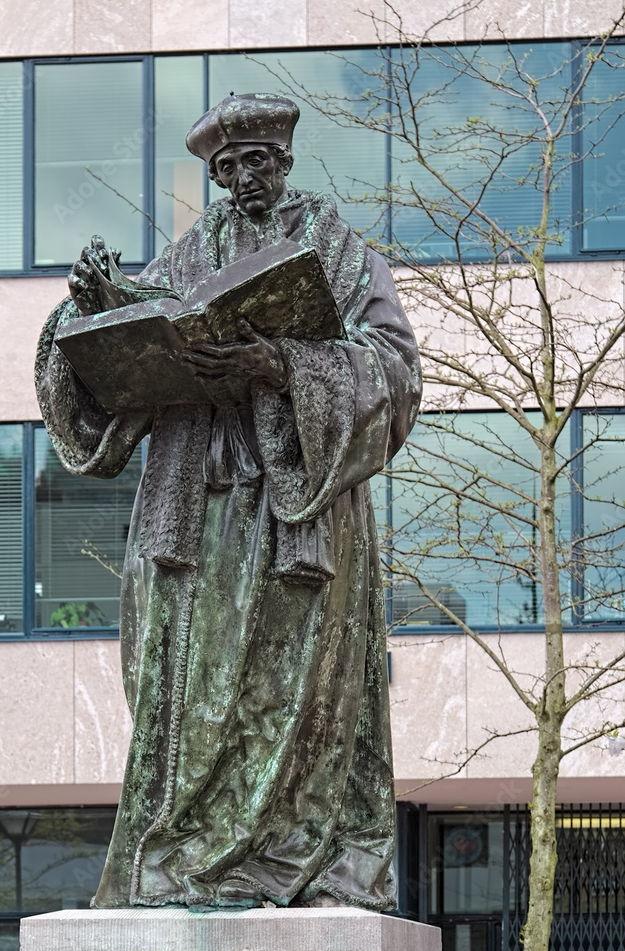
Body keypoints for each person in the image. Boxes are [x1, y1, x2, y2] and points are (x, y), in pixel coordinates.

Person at [35, 94, 422, 910]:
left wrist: (279, 366)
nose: (243, 177)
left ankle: (287, 852)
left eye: (257, 161)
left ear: (283, 163)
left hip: (297, 513)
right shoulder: (185, 260)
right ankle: (184, 857)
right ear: (213, 176)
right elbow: (119, 373)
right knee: (186, 678)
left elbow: (395, 376)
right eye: (226, 167)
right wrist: (93, 308)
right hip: (196, 507)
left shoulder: (343, 255)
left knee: (291, 689)